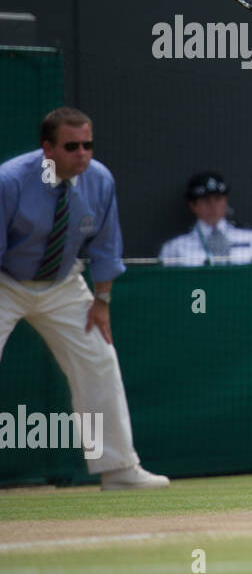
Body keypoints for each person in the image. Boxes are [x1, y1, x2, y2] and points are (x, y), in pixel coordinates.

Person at [0, 108, 169, 490]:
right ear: (48, 149)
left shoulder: (100, 181)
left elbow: (106, 247)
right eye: (71, 146)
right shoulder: (9, 182)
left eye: (88, 145)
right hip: (5, 282)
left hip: (62, 284)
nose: (82, 154)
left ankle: (120, 469)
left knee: (99, 358)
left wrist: (103, 301)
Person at [158, 172, 252, 267]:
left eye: (218, 199)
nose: (213, 205)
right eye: (206, 200)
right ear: (193, 205)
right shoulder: (175, 246)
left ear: (226, 201)